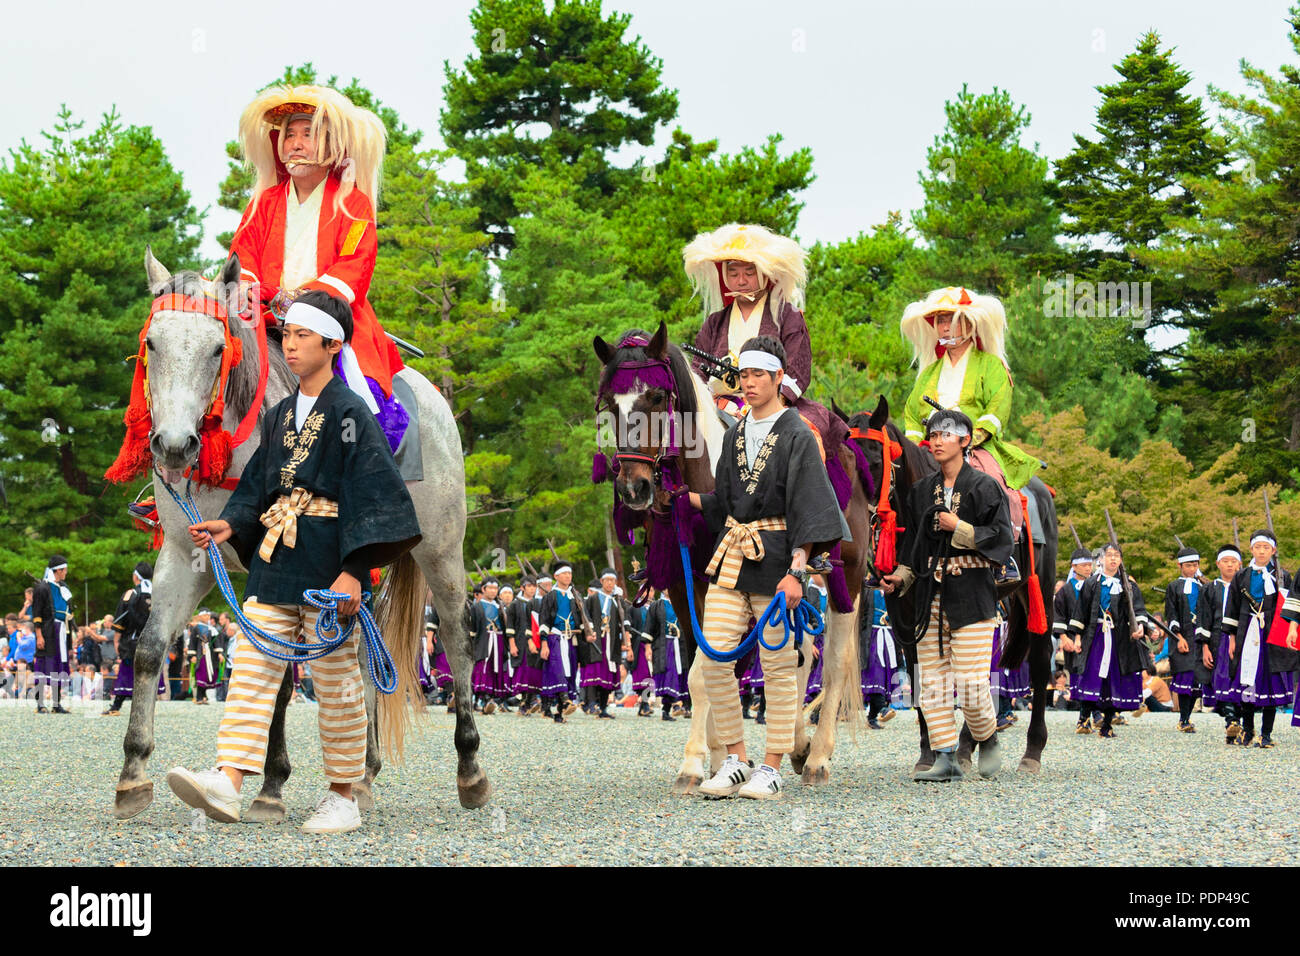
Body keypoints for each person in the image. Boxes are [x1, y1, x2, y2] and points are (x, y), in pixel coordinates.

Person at [167, 289, 421, 834]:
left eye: (302, 335)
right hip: (274, 558)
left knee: (336, 684)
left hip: (331, 565)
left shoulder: (351, 411)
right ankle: (228, 782)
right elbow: (259, 480)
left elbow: (374, 490)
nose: (290, 343)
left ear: (332, 344)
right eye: (287, 334)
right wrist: (232, 522)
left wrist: (355, 571)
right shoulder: (280, 413)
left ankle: (343, 794)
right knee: (252, 670)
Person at [685, 336, 845, 800]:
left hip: (779, 559)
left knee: (777, 668)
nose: (749, 383)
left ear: (778, 378)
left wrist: (798, 570)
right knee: (714, 656)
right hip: (733, 556)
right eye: (744, 375)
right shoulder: (735, 432)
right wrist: (684, 502)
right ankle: (736, 758)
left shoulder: (797, 433)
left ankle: (772, 766)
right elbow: (724, 502)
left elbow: (812, 505)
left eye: (759, 375)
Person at [229, 84, 408, 452]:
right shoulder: (264, 202)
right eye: (289, 135)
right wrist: (249, 289)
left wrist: (301, 300)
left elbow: (354, 265)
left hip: (332, 317)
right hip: (262, 318)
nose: (295, 143)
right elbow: (242, 254)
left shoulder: (353, 204)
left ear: (331, 145)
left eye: (308, 134)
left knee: (361, 393)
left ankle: (365, 468)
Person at [880, 406, 1013, 781]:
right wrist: (901, 578)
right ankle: (945, 756)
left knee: (971, 682)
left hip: (972, 593)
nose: (936, 441)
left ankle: (986, 739)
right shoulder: (923, 491)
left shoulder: (986, 487)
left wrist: (961, 528)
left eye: (945, 434)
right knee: (931, 682)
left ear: (965, 440)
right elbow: (914, 549)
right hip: (930, 596)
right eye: (933, 435)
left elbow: (1003, 540)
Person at [899, 287, 1041, 583]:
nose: (943, 326)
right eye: (938, 320)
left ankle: (1005, 555)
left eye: (950, 318)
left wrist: (973, 437)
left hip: (975, 445)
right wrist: (915, 445)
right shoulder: (928, 372)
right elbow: (912, 413)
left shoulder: (990, 365)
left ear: (969, 323)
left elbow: (998, 406)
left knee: (996, 484)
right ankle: (901, 558)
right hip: (933, 447)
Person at [683, 223, 849, 459]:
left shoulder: (786, 316)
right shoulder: (714, 322)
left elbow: (798, 369)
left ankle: (808, 493)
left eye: (749, 272)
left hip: (775, 401)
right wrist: (706, 401)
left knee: (808, 436)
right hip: (717, 403)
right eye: (733, 273)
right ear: (724, 276)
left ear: (764, 273)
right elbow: (698, 368)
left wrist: (769, 402)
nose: (741, 280)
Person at [1212, 530, 1295, 748]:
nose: (1261, 551)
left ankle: (1266, 734)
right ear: (1251, 550)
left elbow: (1290, 605)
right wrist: (1231, 638)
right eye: (1257, 547)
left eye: (1266, 547)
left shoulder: (1283, 576)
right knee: (1246, 679)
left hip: (1272, 634)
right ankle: (1247, 730)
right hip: (1247, 630)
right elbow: (1232, 607)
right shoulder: (1242, 576)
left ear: (1273, 550)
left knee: (1269, 680)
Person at [1063, 543, 1149, 740]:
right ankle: (1084, 717)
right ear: (1100, 559)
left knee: (1114, 680)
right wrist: (1077, 637)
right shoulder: (1092, 583)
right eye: (1109, 555)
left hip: (1119, 640)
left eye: (1116, 555)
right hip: (1096, 637)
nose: (1113, 559)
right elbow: (1081, 612)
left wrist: (1140, 627)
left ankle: (1107, 724)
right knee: (1092, 677)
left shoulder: (1128, 584)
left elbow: (1138, 610)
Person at [1194, 545, 1240, 742]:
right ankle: (1231, 721)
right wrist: (1204, 647)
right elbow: (1203, 618)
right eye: (1225, 561)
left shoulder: (1244, 587)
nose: (1229, 565)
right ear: (1218, 564)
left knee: (1240, 681)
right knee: (1221, 680)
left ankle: (1239, 722)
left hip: (1241, 640)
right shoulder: (1209, 589)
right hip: (1217, 641)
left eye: (1233, 561)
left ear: (1239, 564)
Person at [1055, 547, 1098, 733]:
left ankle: (1095, 714)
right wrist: (1064, 637)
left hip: (1093, 637)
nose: (1088, 568)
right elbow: (1058, 616)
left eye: (1090, 565)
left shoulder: (1097, 586)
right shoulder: (1064, 591)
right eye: (1084, 565)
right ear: (1074, 566)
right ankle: (1084, 717)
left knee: (1095, 675)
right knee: (1078, 676)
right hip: (1072, 639)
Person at [537, 564, 586, 723]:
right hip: (554, 638)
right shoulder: (550, 596)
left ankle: (559, 713)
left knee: (569, 671)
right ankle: (565, 700)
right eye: (564, 573)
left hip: (571, 638)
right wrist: (544, 644)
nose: (567, 576)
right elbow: (543, 622)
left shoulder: (575, 596)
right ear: (556, 576)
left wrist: (588, 633)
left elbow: (583, 618)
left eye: (569, 573)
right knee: (557, 670)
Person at [1163, 546, 1205, 732]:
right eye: (1188, 565)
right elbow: (1171, 614)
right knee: (1185, 677)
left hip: (1199, 637)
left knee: (1197, 679)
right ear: (1180, 566)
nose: (1192, 569)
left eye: (1195, 565)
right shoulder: (1173, 587)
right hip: (1180, 636)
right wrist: (1178, 637)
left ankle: (1187, 718)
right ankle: (1183, 718)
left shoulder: (1204, 586)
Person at [30, 555, 75, 713]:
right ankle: (40, 704)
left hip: (63, 630)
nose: (66, 573)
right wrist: (39, 634)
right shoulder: (43, 588)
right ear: (58, 570)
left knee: (58, 665)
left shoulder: (63, 587)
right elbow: (36, 613)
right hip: (48, 631)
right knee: (43, 666)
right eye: (65, 570)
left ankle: (56, 704)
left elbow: (68, 609)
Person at [581, 570, 627, 719]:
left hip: (611, 642)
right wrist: (588, 633)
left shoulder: (617, 601)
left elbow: (623, 623)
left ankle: (603, 707)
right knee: (595, 672)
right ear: (601, 581)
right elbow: (585, 617)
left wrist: (626, 642)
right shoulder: (593, 599)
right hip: (597, 640)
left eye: (612, 581)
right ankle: (592, 703)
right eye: (606, 580)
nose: (609, 583)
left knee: (609, 673)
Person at [859, 583, 898, 730]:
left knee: (885, 675)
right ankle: (882, 708)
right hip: (872, 635)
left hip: (888, 634)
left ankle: (872, 717)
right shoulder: (869, 590)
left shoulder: (893, 591)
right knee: (875, 673)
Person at [470, 578, 511, 714]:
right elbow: (472, 628)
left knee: (496, 670)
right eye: (490, 588)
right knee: (483, 669)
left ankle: (491, 699)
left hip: (498, 641)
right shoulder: (476, 606)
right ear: (483, 589)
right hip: (483, 641)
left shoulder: (500, 607)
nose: (493, 591)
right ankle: (484, 698)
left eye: (495, 588)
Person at [646, 589, 687, 720]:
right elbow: (649, 628)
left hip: (680, 645)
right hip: (663, 645)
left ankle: (671, 708)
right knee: (669, 674)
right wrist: (648, 647)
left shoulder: (682, 603)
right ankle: (669, 707)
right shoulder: (656, 605)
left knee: (679, 674)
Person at [509, 577, 543, 716]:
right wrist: (512, 644)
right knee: (523, 674)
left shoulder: (538, 603)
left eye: (534, 586)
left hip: (536, 643)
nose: (532, 589)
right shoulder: (515, 604)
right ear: (522, 588)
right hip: (520, 643)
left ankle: (530, 700)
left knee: (534, 673)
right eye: (529, 586)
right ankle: (524, 702)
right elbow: (510, 627)